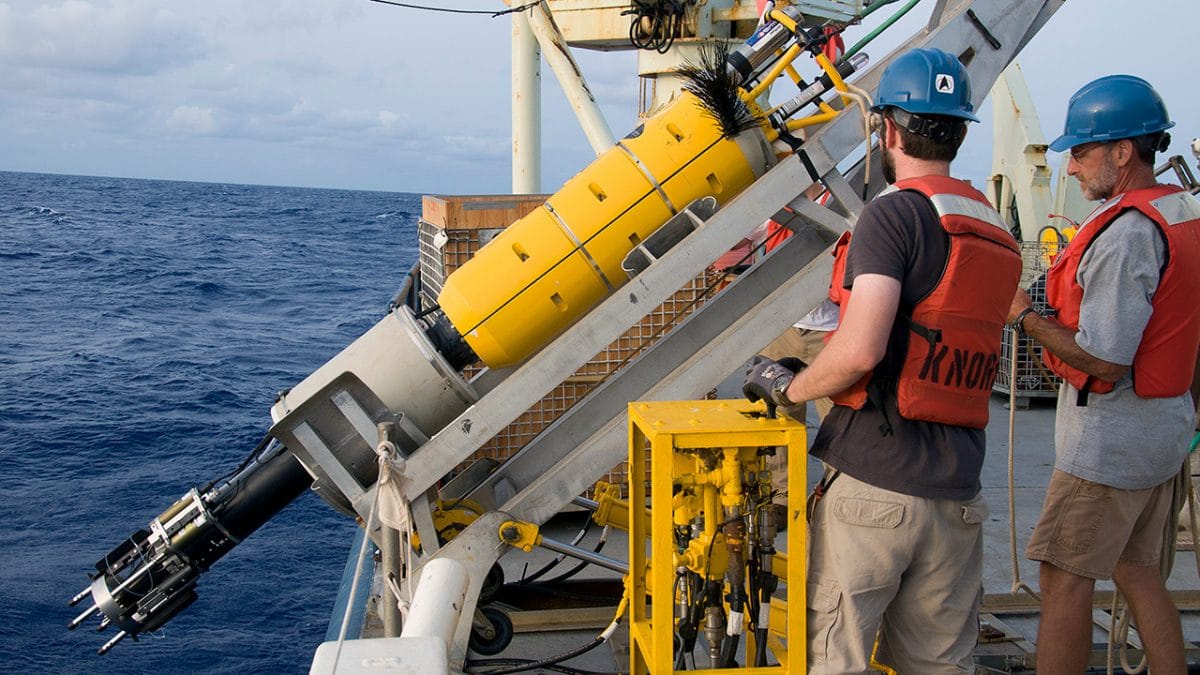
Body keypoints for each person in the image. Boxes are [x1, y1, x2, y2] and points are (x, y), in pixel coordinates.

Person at [743, 47, 1022, 673]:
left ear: (888, 128)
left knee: (837, 659)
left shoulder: (894, 213)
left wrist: (791, 389)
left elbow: (863, 346)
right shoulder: (994, 229)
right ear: (957, 128)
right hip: (958, 493)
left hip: (876, 483)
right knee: (939, 664)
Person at [1007, 74, 1200, 674]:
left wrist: (1023, 317)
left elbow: (1108, 358)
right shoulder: (1178, 211)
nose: (1070, 168)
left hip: (1110, 447)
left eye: (1081, 153)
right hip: (1161, 432)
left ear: (1123, 152)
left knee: (1062, 578)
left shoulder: (1125, 238)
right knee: (1139, 573)